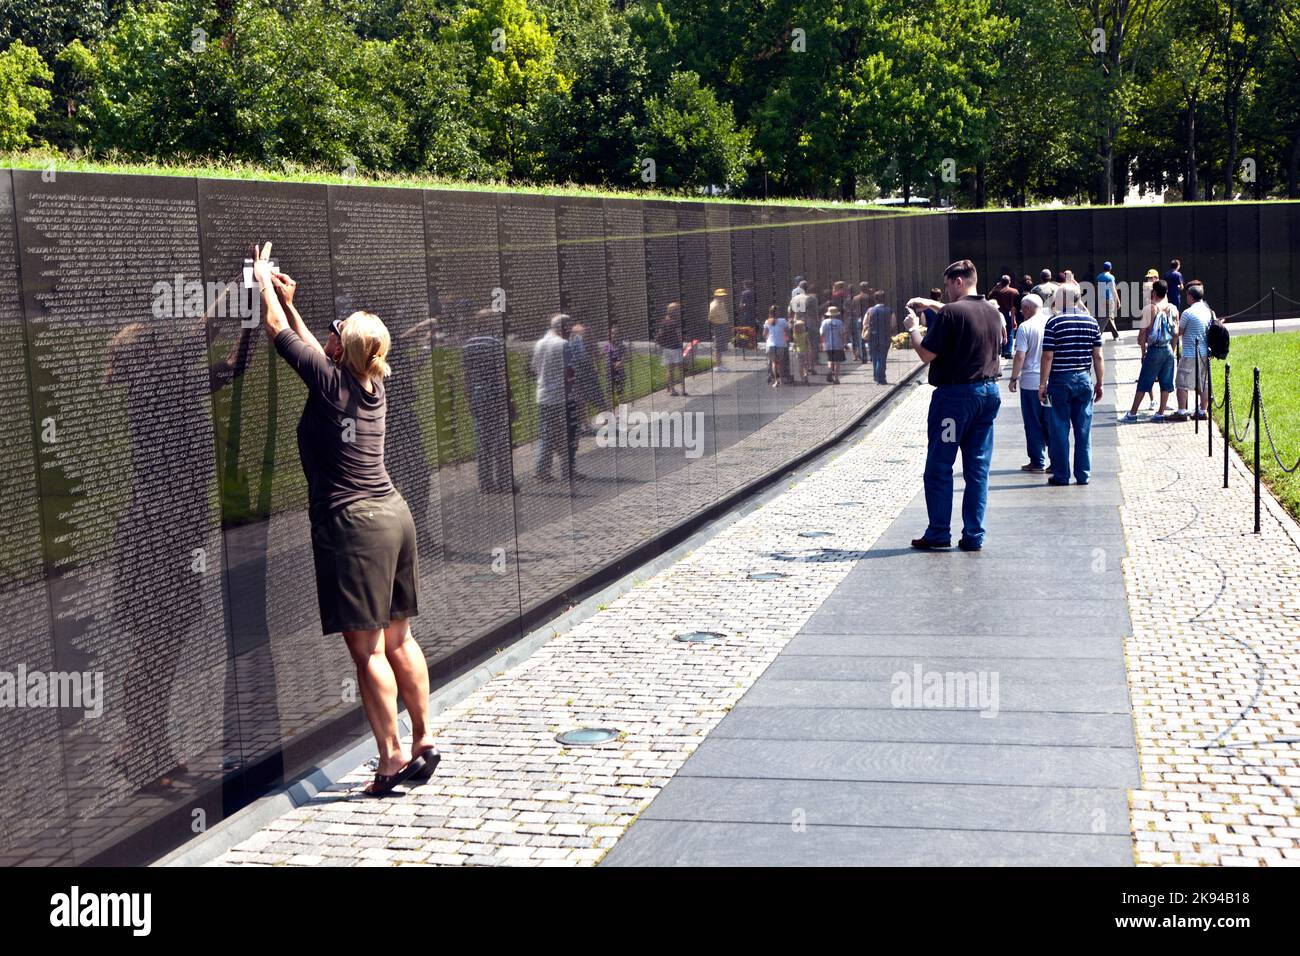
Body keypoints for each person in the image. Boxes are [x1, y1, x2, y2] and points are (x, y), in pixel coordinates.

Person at [252, 243, 437, 796]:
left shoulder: (330, 382)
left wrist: (265, 284)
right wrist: (294, 304)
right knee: (401, 640)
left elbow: (277, 333)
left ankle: (390, 758)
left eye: (335, 331)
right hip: (395, 517)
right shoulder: (368, 382)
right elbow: (312, 347)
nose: (325, 336)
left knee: (368, 650)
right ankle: (425, 740)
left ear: (342, 346)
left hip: (354, 529)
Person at [903, 259, 1003, 552]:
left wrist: (912, 329)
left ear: (958, 281)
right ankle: (973, 535)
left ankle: (938, 533)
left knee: (939, 466)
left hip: (955, 401)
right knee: (977, 469)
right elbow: (960, 314)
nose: (945, 291)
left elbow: (926, 354)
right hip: (988, 396)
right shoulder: (992, 312)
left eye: (947, 285)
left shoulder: (950, 313)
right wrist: (930, 304)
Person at [1038, 284, 1104, 486]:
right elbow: (1098, 356)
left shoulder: (1054, 322)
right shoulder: (1091, 322)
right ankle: (1083, 474)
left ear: (1063, 299)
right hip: (1084, 378)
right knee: (1083, 430)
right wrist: (1100, 382)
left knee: (1059, 429)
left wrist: (1042, 384)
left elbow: (1048, 356)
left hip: (1060, 380)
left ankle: (1061, 474)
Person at [462, 309, 515, 493]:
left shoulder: (468, 345)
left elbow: (466, 375)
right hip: (494, 393)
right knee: (500, 439)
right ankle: (504, 481)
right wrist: (509, 397)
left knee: (482, 440)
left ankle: (485, 483)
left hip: (477, 394)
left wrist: (469, 398)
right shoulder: (495, 343)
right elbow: (502, 373)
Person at [1121, 279, 1177, 423]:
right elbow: (1175, 333)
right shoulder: (1172, 308)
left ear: (1154, 292)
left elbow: (1143, 333)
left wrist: (1143, 351)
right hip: (1168, 349)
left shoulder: (1149, 308)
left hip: (1154, 350)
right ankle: (1160, 413)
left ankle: (1132, 414)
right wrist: (1174, 349)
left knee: (1144, 382)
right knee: (1166, 383)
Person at [1008, 293, 1049, 473]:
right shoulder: (1051, 323)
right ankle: (1056, 461)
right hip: (1049, 381)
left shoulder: (1025, 327)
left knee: (1032, 422)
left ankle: (1037, 461)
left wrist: (1013, 378)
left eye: (1023, 309)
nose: (1021, 313)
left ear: (1027, 309)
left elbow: (1020, 356)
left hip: (1030, 382)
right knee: (1051, 422)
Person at [533, 313, 575, 480]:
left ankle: (555, 469)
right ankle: (551, 470)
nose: (571, 330)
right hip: (560, 395)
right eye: (569, 327)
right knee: (564, 434)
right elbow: (569, 371)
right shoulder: (563, 344)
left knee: (548, 433)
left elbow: (535, 367)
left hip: (543, 393)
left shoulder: (540, 343)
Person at [1171, 281, 1212, 421]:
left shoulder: (1188, 313)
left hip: (1189, 353)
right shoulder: (1209, 311)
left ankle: (1182, 412)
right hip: (1205, 353)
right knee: (1203, 382)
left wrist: (1173, 324)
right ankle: (1202, 411)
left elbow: (1178, 332)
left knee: (1182, 382)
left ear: (1190, 296)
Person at [656, 301, 686, 396]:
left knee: (669, 370)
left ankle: (672, 389)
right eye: (677, 309)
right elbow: (679, 335)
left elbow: (660, 334)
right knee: (680, 369)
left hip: (666, 348)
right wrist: (682, 345)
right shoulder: (675, 322)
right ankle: (683, 390)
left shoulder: (663, 322)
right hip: (676, 348)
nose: (679, 311)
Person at [987, 275, 1020, 359]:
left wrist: (995, 287)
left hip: (998, 313)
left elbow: (989, 297)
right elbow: (1014, 307)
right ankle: (1008, 351)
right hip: (1009, 314)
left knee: (1000, 332)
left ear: (1001, 282)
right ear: (1009, 282)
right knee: (1010, 332)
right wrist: (1014, 319)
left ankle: (1002, 350)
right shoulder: (1014, 292)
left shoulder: (996, 292)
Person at [867, 291, 894, 384]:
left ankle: (876, 375)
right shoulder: (889, 310)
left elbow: (866, 323)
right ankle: (881, 377)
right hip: (885, 336)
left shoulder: (870, 310)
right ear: (884, 299)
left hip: (873, 336)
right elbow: (893, 324)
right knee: (882, 357)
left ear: (875, 299)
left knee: (874, 357)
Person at [763, 305, 790, 387]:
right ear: (777, 312)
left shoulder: (767, 322)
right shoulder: (783, 321)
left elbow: (764, 334)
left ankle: (776, 380)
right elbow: (786, 332)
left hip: (770, 345)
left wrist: (769, 338)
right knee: (780, 363)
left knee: (774, 363)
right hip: (781, 344)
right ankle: (782, 379)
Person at [821, 305, 846, 384]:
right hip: (838, 344)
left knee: (830, 359)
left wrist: (822, 342)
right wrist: (844, 343)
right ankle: (836, 378)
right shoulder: (839, 322)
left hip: (828, 344)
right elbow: (842, 333)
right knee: (837, 362)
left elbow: (822, 334)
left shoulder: (824, 322)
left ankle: (830, 371)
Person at [1096, 261, 1121, 340]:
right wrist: (1118, 301)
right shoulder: (1111, 277)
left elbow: (1097, 288)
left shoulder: (1099, 276)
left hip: (1101, 300)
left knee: (1110, 317)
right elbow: (1113, 290)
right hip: (1109, 300)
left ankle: (1116, 335)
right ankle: (1097, 335)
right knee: (1105, 318)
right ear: (1110, 268)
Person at [708, 287, 731, 371]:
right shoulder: (714, 305)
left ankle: (720, 364)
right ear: (716, 296)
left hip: (722, 326)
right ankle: (718, 365)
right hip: (718, 326)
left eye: (723, 296)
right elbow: (710, 318)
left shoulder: (721, 304)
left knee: (721, 346)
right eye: (721, 296)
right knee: (718, 346)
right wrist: (718, 324)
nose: (723, 297)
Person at [851, 281, 871, 362]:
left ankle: (863, 357)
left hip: (859, 318)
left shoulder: (855, 298)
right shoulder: (869, 297)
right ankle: (871, 356)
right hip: (869, 318)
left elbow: (853, 309)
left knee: (861, 338)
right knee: (870, 338)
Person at [792, 316, 812, 384]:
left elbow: (794, 344)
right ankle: (805, 373)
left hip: (798, 352)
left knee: (800, 365)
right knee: (806, 363)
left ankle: (802, 378)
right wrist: (809, 349)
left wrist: (794, 350)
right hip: (805, 351)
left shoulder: (795, 335)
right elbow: (808, 343)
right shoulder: (805, 334)